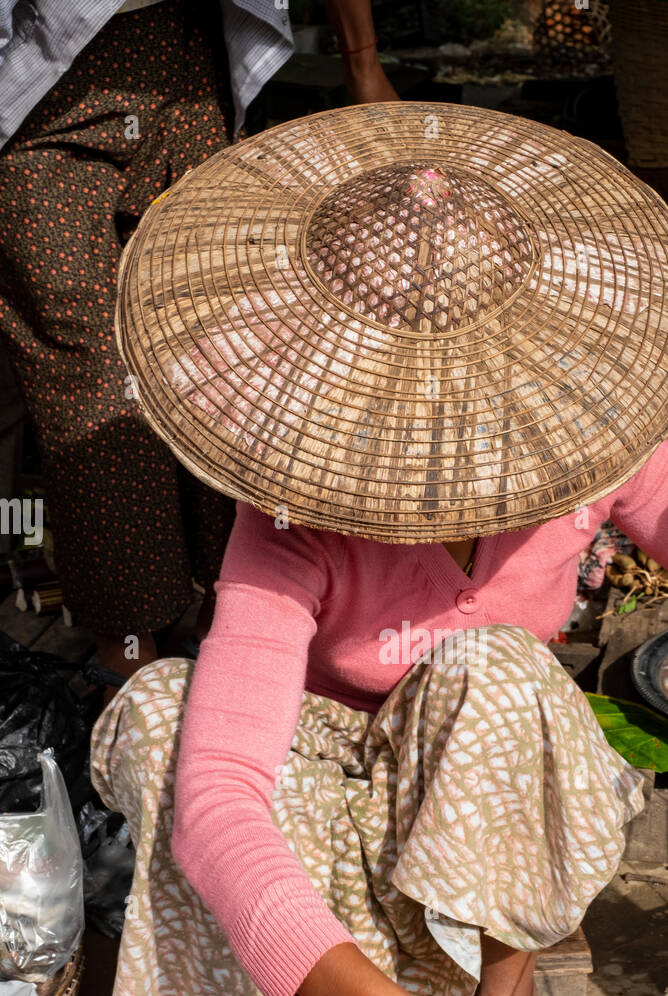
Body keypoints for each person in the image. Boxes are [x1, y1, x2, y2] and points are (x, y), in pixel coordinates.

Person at [91, 102, 668, 996]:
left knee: (494, 666)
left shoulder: (588, 435)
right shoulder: (296, 510)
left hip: (458, 779)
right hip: (324, 791)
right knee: (166, 718)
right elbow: (223, 796)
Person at [0, 0, 394, 689]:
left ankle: (233, 617)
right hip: (41, 85)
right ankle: (130, 646)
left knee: (211, 354)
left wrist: (361, 63)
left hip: (181, 63)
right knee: (91, 379)